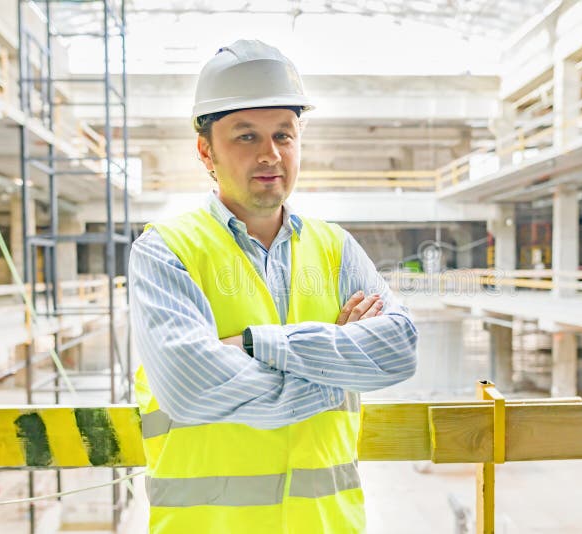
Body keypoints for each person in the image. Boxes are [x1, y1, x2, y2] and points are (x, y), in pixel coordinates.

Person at [129, 40, 418, 533]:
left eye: (284, 135)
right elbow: (191, 390)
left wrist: (250, 344)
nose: (271, 154)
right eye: (246, 137)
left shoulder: (336, 248)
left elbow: (398, 351)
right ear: (206, 151)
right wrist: (336, 372)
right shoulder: (166, 251)